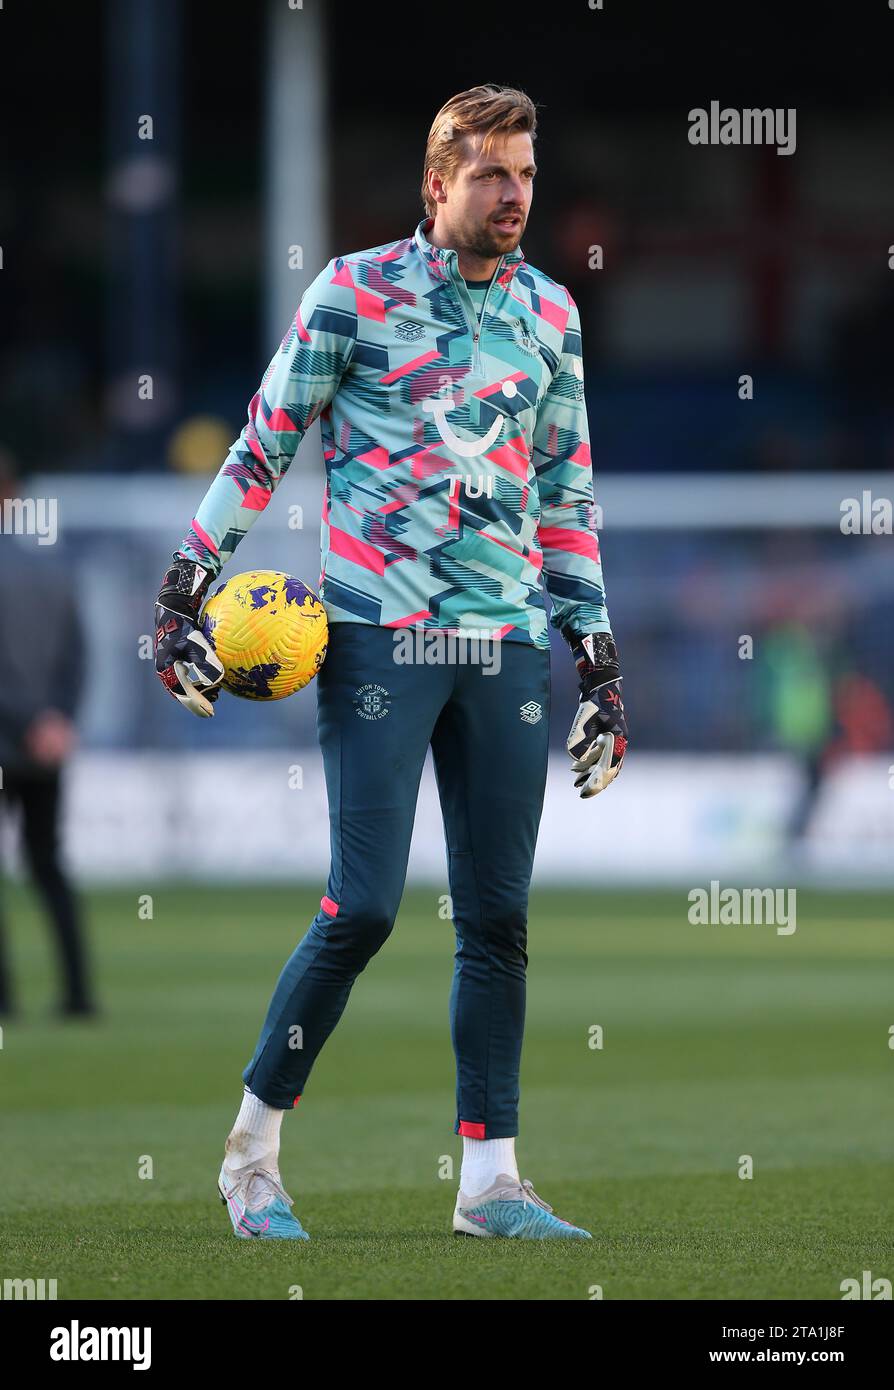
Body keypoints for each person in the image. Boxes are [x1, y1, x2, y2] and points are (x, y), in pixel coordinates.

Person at [154, 85, 628, 1240]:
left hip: (505, 647)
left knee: (498, 918)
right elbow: (262, 444)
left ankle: (490, 1184)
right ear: (436, 183)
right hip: (380, 638)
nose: (515, 194)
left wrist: (598, 662)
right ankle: (251, 1156)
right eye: (491, 174)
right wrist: (181, 591)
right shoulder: (352, 293)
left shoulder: (552, 313)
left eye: (525, 172)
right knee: (362, 906)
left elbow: (565, 495)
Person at [0, 458, 94, 1018]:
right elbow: (78, 656)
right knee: (49, 865)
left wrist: (26, 721)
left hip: (11, 736)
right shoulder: (53, 567)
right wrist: (57, 718)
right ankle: (78, 994)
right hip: (48, 745)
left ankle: (4, 998)